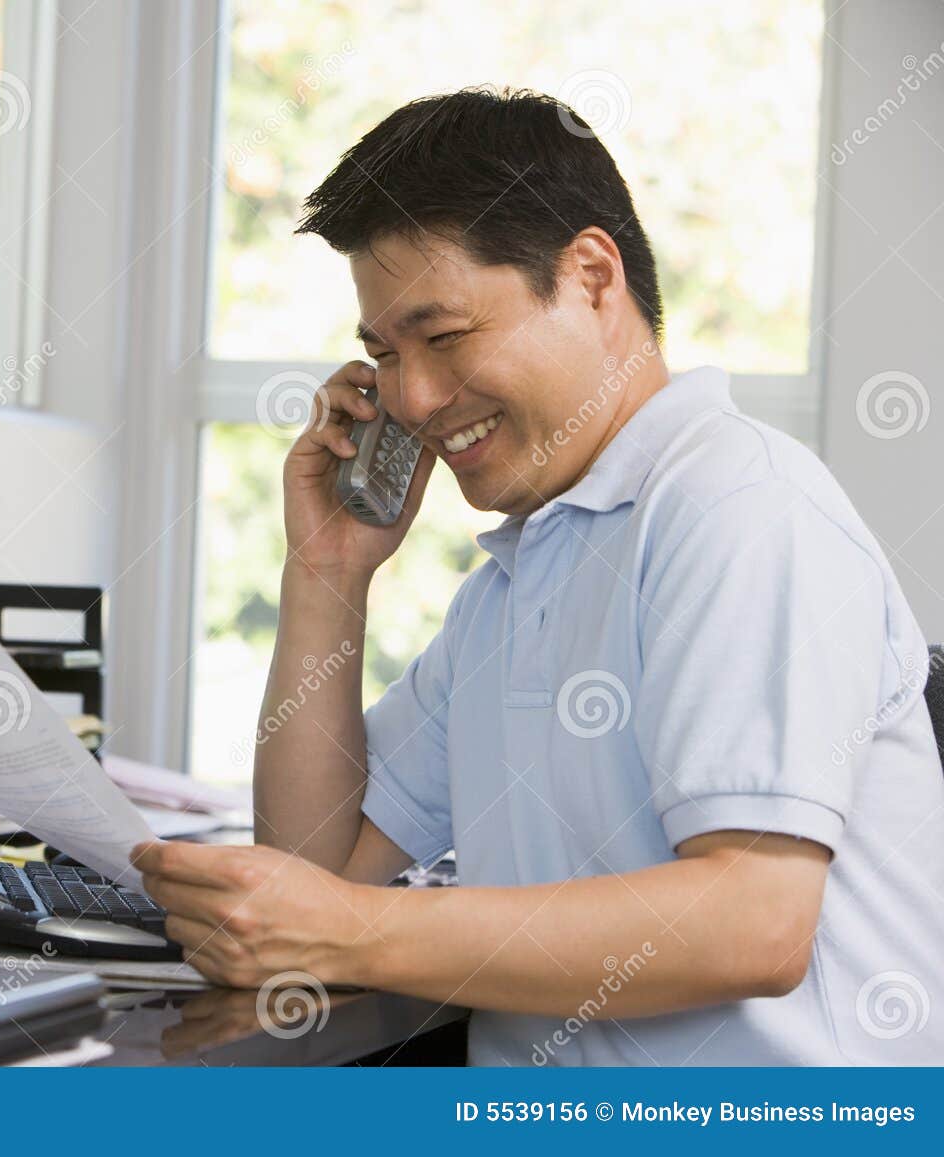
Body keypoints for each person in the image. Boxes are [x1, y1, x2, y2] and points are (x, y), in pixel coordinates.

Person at [133, 87, 944, 1065]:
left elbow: (754, 919)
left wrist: (351, 927)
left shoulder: (741, 505)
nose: (415, 397)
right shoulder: (515, 581)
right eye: (383, 354)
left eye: (444, 337)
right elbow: (310, 869)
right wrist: (325, 574)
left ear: (592, 278)